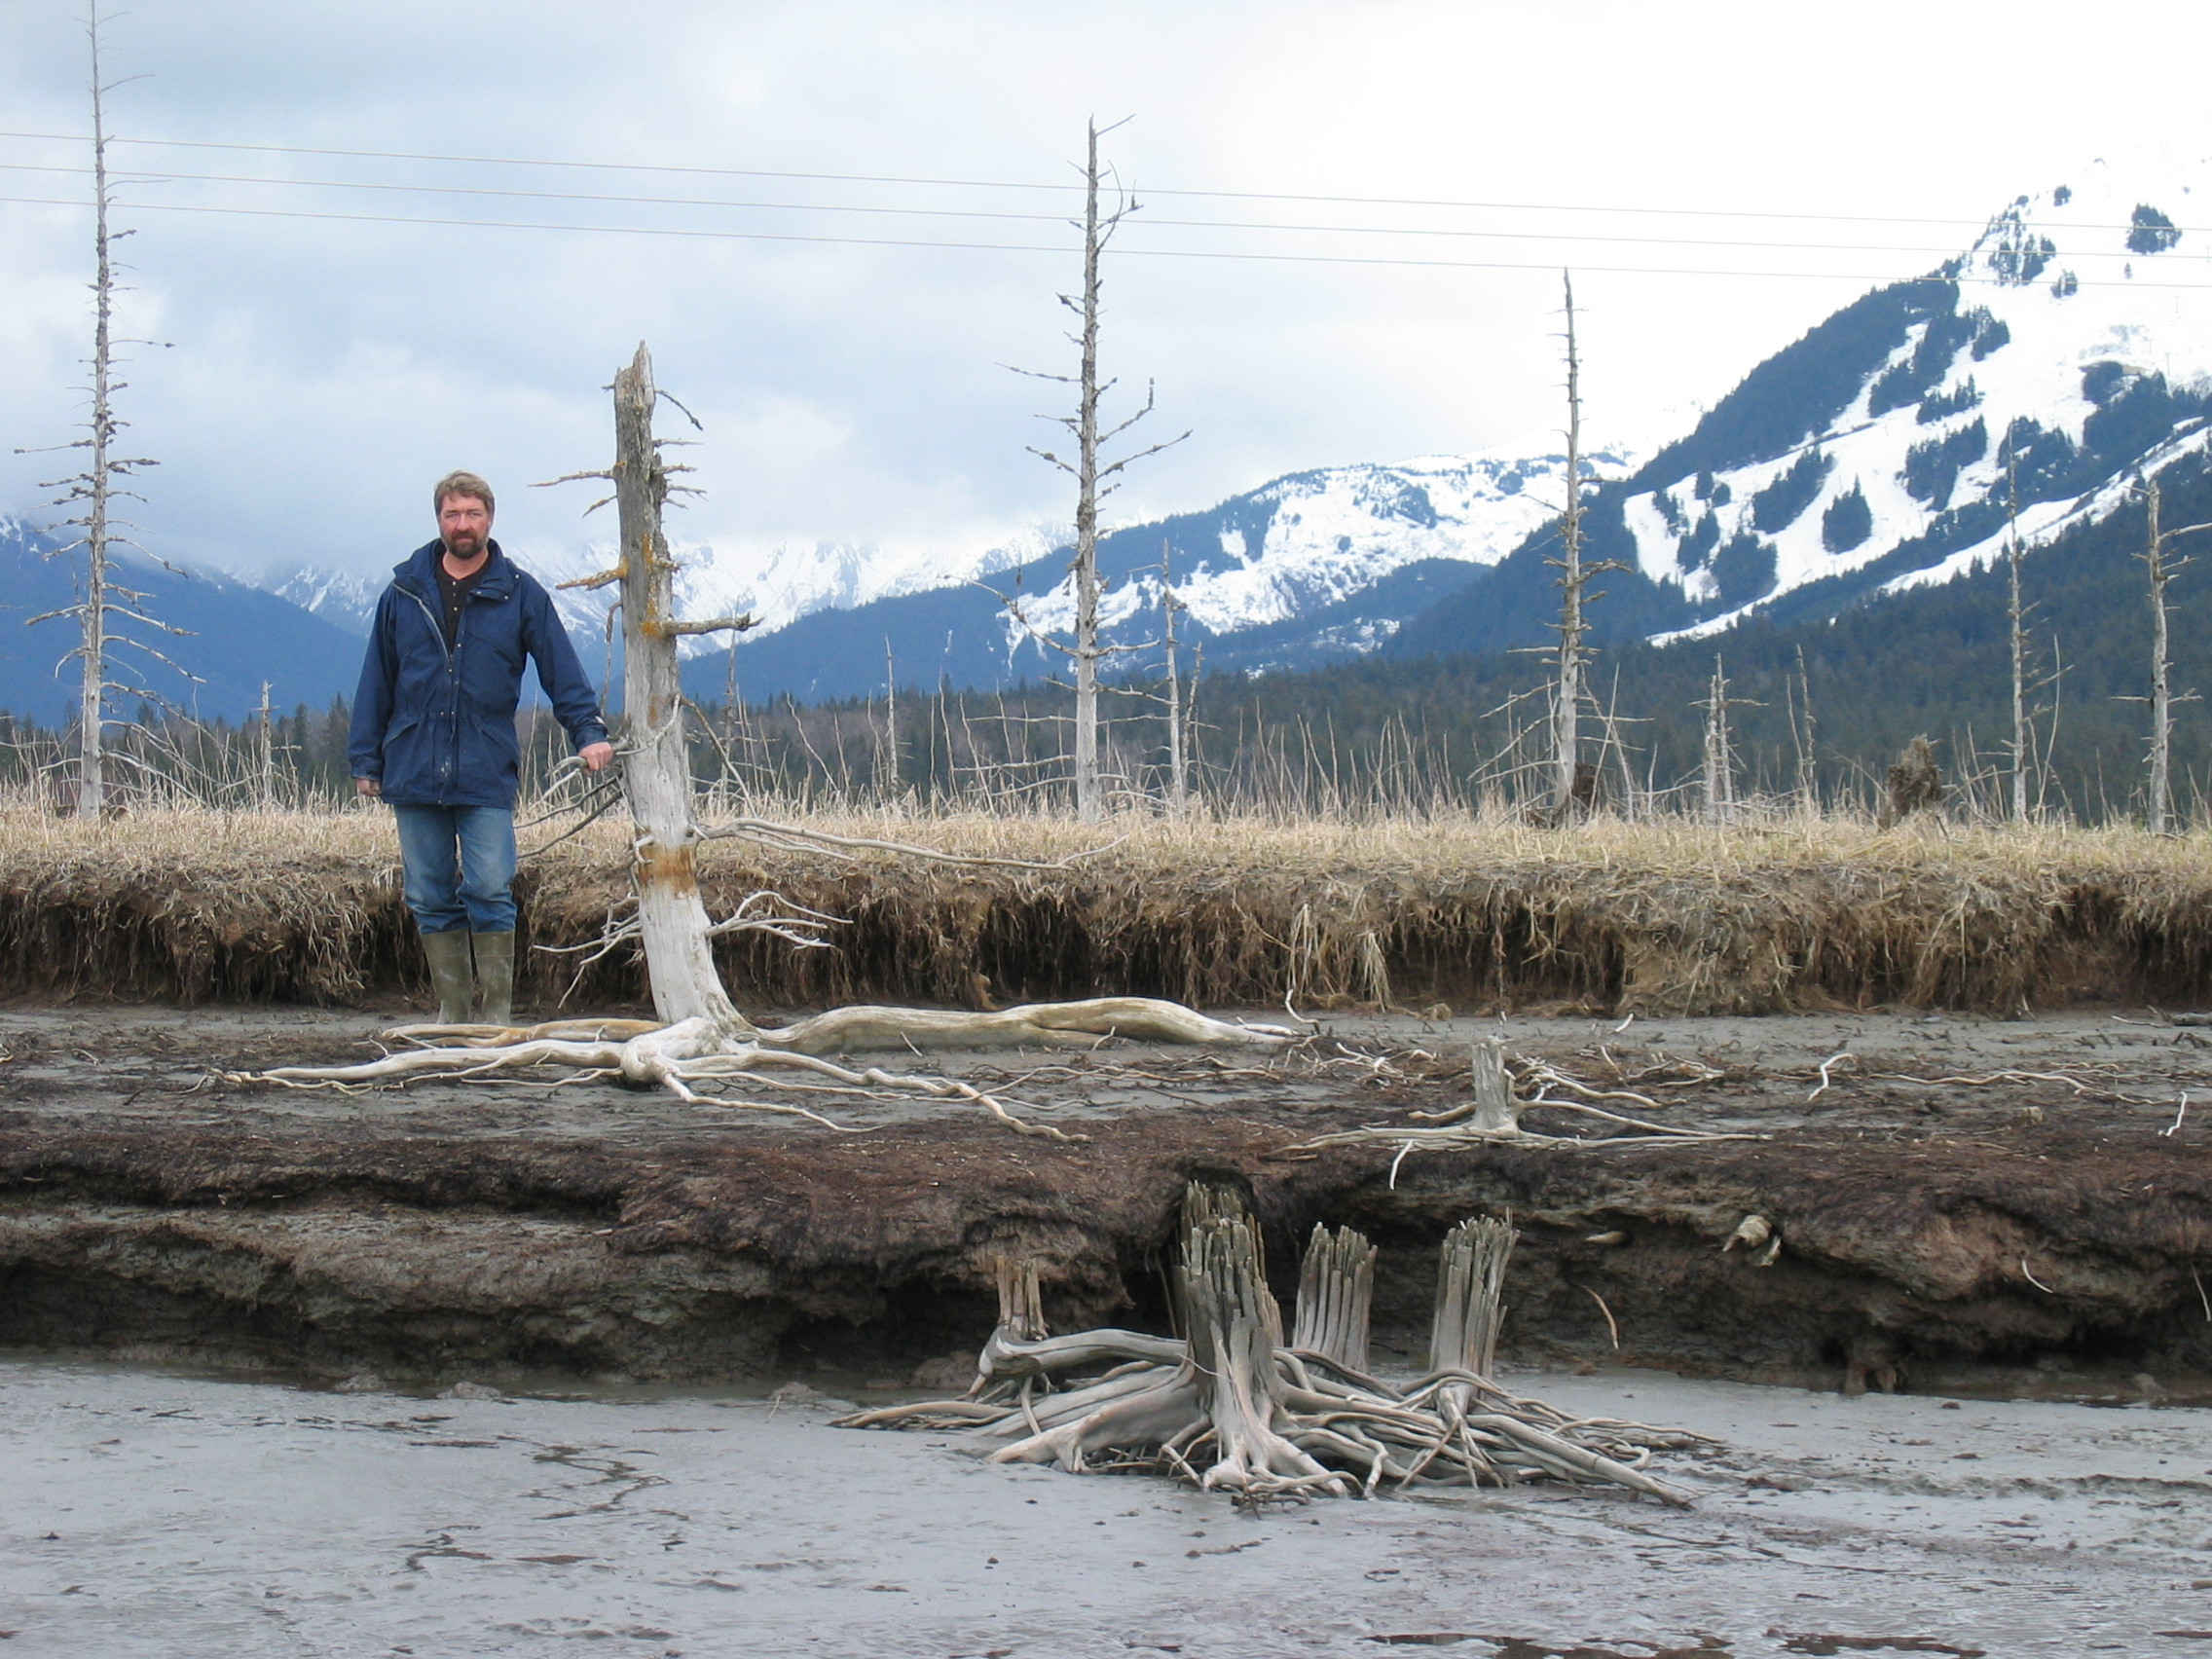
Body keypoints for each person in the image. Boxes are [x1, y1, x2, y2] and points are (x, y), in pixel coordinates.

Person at [349, 470, 613, 1025]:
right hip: (413, 764)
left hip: (486, 764)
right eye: (452, 514)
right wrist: (366, 759)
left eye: (472, 514)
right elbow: (377, 680)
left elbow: (562, 672)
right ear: (438, 520)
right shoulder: (403, 593)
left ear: (490, 518)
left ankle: (496, 1018)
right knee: (428, 894)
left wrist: (588, 732)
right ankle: (452, 1013)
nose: (462, 524)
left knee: (491, 889)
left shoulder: (521, 594)